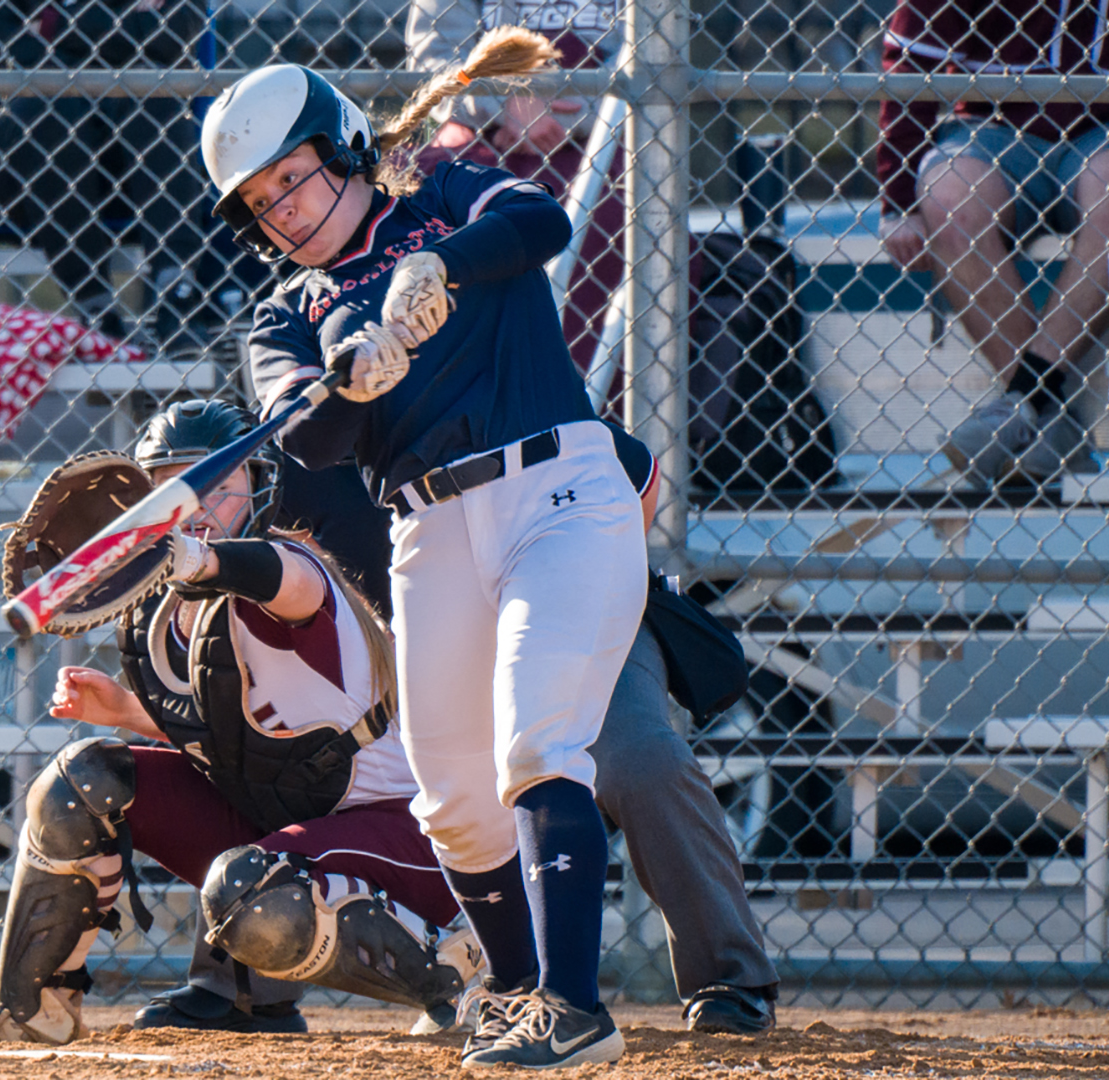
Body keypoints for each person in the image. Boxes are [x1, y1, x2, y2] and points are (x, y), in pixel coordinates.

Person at [204, 31, 647, 1068]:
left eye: (295, 180)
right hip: (429, 526)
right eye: (262, 204)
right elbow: (305, 440)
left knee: (537, 742)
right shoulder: (288, 313)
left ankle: (577, 1012)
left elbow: (537, 222)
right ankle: (521, 993)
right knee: (451, 796)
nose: (286, 211)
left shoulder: (444, 193)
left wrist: (432, 266)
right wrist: (348, 377)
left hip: (561, 489)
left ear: (343, 151)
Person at [0, 399, 478, 1044]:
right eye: (167, 489)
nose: (192, 506)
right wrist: (129, 714)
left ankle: (464, 983)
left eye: (217, 486)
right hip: (290, 821)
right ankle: (34, 1005)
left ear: (261, 486)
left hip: (407, 841)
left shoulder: (294, 568)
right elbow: (257, 747)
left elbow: (273, 580)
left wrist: (188, 558)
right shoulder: (160, 614)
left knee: (252, 890)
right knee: (84, 777)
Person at [277, 434, 779, 1035]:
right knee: (451, 798)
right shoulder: (307, 446)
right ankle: (503, 976)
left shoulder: (488, 386)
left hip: (576, 612)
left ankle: (727, 974)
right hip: (423, 660)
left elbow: (638, 478)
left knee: (640, 760)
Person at [875, 0, 1109, 488]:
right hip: (993, 126)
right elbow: (911, 59)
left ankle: (1022, 402)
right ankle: (1044, 414)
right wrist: (898, 198)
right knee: (948, 197)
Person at [0, 0, 221, 353]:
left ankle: (177, 293)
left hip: (124, 153)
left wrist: (51, 23)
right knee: (55, 100)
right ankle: (95, 307)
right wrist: (122, 25)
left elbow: (173, 35)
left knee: (152, 90)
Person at [406, 0, 624, 377]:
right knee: (423, 213)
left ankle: (595, 410)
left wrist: (547, 112)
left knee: (617, 222)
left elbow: (649, 71)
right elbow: (431, 63)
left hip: (600, 139)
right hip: (478, 137)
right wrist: (506, 102)